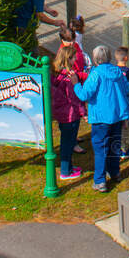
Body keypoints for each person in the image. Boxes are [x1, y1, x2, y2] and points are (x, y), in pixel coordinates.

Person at [73, 45, 129, 193]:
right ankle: (115, 172)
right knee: (114, 145)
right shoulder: (117, 71)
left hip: (100, 118)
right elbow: (126, 89)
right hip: (117, 116)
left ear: (95, 59)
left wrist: (75, 84)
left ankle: (100, 181)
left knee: (101, 149)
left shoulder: (96, 74)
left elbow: (84, 95)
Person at [51, 43, 87, 182]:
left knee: (66, 141)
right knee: (68, 143)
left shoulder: (57, 74)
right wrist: (83, 112)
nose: (76, 60)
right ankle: (65, 171)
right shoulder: (69, 79)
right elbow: (74, 99)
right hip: (70, 115)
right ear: (69, 59)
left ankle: (70, 167)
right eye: (74, 58)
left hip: (61, 113)